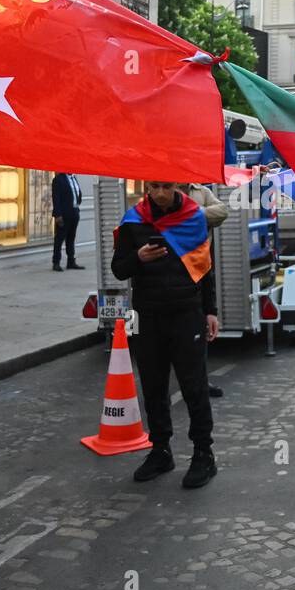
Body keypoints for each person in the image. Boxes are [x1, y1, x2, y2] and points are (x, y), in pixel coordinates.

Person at [112, 181, 219, 488]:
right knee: (154, 386)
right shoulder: (133, 220)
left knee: (194, 387)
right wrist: (138, 259)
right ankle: (160, 450)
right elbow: (119, 268)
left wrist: (210, 311)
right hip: (147, 317)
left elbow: (205, 267)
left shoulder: (194, 217)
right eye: (154, 187)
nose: (160, 194)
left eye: (166, 187)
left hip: (187, 314)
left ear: (177, 187)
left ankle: (203, 454)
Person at [182, 182, 228, 397]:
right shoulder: (162, 190)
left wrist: (197, 213)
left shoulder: (200, 191)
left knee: (199, 330)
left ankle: (201, 380)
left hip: (199, 266)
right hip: (172, 267)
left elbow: (221, 211)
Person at [51, 172, 84, 271]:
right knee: (59, 239)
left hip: (74, 212)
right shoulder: (58, 179)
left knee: (71, 238)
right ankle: (56, 262)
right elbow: (56, 198)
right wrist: (58, 215)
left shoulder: (74, 178)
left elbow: (77, 193)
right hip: (63, 214)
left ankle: (71, 261)